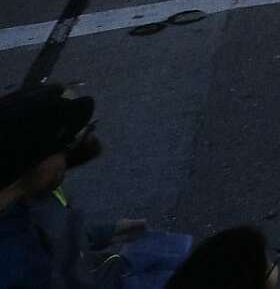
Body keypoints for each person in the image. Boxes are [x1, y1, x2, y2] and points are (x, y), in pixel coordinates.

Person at [0, 82, 195, 286]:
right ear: (33, 160)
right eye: (62, 148)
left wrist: (110, 230)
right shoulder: (14, 262)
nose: (65, 159)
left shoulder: (26, 203)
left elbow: (58, 238)